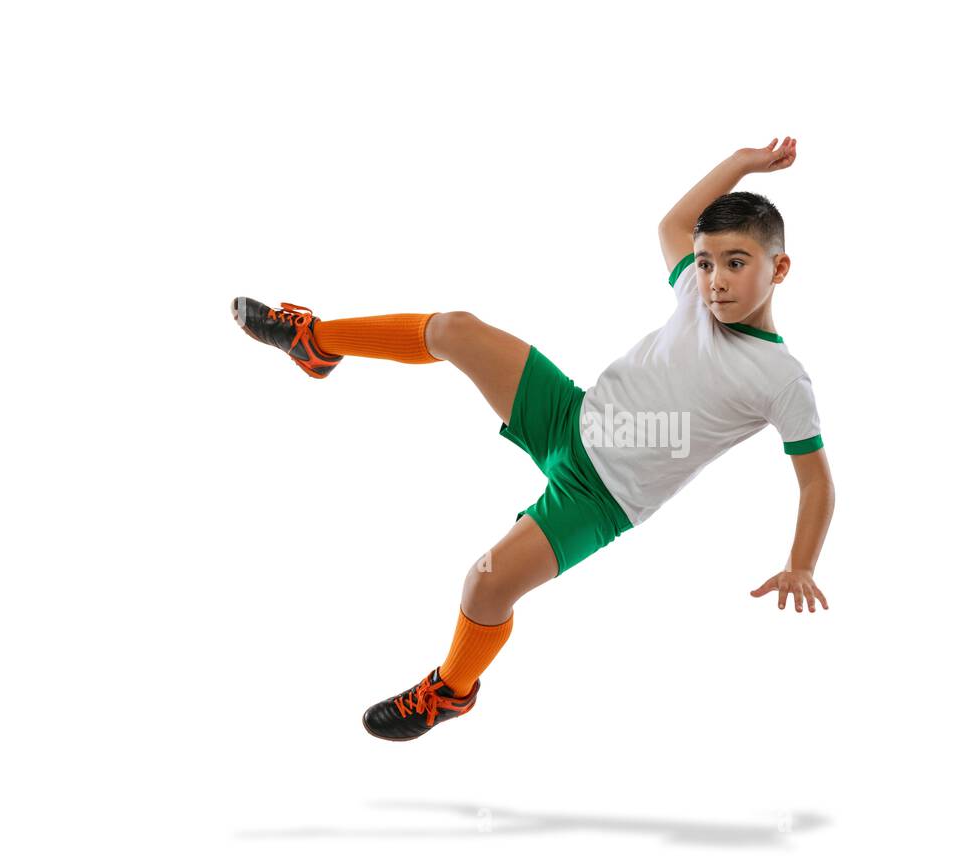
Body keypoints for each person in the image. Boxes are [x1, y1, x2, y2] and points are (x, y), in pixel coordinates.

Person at [229, 136, 835, 743]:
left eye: (736, 263)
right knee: (455, 329)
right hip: (571, 416)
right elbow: (673, 223)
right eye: (706, 263)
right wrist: (743, 163)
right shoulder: (693, 298)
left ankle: (450, 691)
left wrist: (801, 564)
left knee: (485, 582)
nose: (715, 281)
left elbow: (816, 482)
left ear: (778, 269)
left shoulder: (782, 379)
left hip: (599, 501)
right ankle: (315, 343)